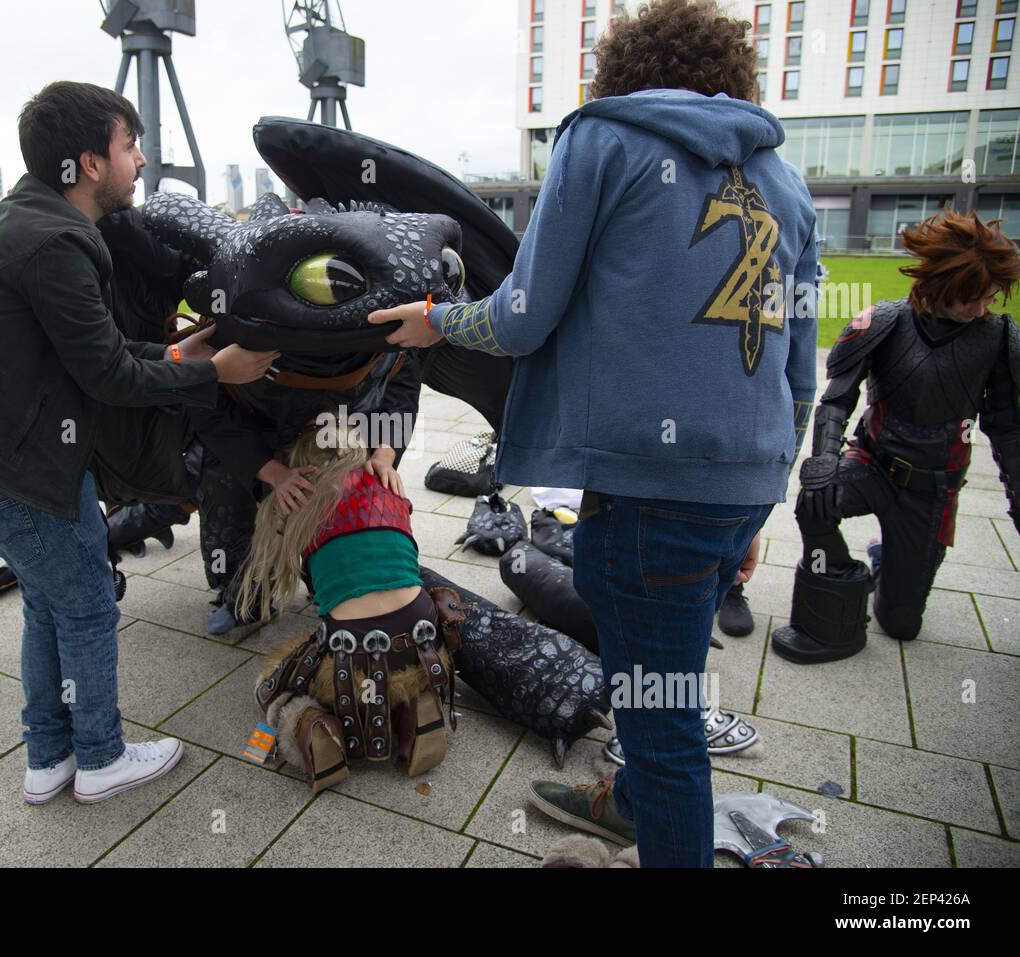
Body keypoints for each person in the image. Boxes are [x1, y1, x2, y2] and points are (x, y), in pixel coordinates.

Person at [368, 0, 818, 866]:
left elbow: (525, 317)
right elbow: (798, 369)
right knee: (666, 673)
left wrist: (436, 319)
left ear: (626, 71)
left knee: (664, 726)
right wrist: (761, 501)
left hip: (649, 494)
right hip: (742, 483)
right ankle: (633, 805)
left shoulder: (601, 140)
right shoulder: (787, 184)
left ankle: (654, 808)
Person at [0, 80, 280, 806]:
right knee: (84, 604)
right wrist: (214, 372)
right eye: (129, 146)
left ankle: (49, 756)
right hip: (13, 469)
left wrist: (176, 355)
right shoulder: (55, 243)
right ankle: (103, 758)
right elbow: (109, 375)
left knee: (51, 604)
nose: (141, 161)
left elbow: (92, 350)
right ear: (86, 163)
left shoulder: (30, 218)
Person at [771, 211, 1020, 663]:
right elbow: (836, 400)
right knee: (815, 501)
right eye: (970, 299)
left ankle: (888, 560)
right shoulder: (885, 323)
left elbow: (1007, 428)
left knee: (901, 624)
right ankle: (837, 598)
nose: (979, 309)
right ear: (939, 285)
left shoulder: (996, 338)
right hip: (872, 465)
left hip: (932, 490)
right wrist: (824, 462)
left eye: (986, 299)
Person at [241, 422, 463, 792]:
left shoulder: (299, 499)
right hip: (422, 634)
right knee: (395, 658)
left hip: (353, 646)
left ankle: (312, 724)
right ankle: (412, 709)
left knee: (277, 683)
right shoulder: (387, 481)